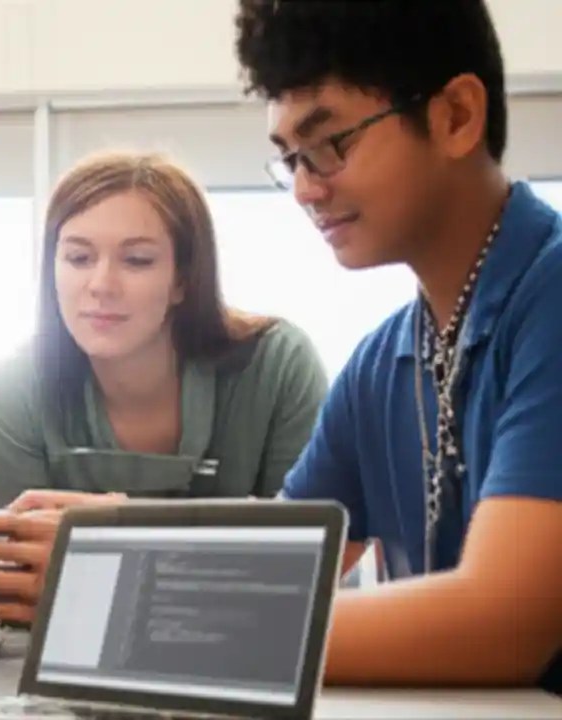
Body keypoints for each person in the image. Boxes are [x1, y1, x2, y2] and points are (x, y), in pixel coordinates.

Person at [231, 0, 562, 689]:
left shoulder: (550, 299)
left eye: (328, 146)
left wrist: (180, 628)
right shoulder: (382, 363)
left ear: (456, 117)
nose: (302, 188)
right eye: (289, 159)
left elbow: (508, 621)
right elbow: (278, 565)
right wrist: (111, 540)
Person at [0, 151, 327, 510]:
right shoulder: (17, 386)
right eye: (78, 258)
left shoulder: (278, 368)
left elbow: (316, 550)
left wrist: (104, 536)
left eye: (137, 260)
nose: (101, 285)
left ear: (183, 278)